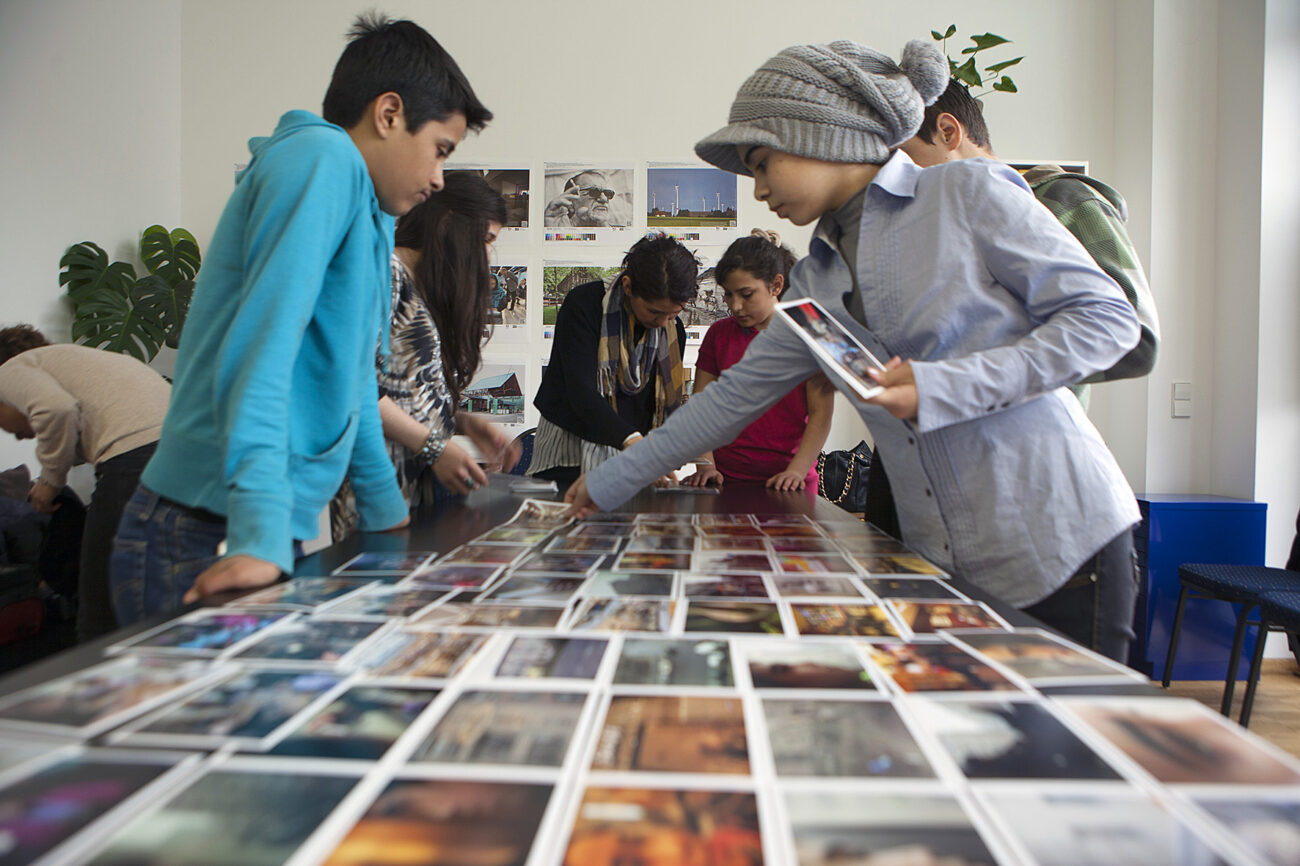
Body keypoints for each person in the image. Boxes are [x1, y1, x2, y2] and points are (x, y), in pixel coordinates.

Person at [567, 39, 1144, 662]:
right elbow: (732, 399)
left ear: (819, 134)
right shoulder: (815, 285)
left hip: (1059, 545)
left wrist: (944, 385)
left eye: (762, 163)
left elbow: (1109, 321)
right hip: (940, 562)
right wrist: (612, 480)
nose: (758, 190)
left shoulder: (965, 194)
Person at [109, 13, 492, 624]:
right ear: (388, 114)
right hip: (201, 529)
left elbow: (351, 382)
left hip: (250, 530)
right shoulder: (322, 158)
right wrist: (260, 533)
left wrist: (384, 509)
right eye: (440, 150)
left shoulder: (372, 215)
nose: (438, 177)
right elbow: (263, 347)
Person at [331, 173, 520, 541]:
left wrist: (463, 422)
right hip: (372, 491)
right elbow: (355, 388)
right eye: (485, 239)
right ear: (447, 224)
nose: (487, 255)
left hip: (409, 490)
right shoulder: (385, 274)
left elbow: (402, 391)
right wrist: (434, 446)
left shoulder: (419, 283)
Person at [0, 326, 170, 640]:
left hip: (136, 462)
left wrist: (50, 481)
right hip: (186, 455)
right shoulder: (90, 362)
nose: (20, 437)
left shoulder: (9, 371)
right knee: (164, 591)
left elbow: (55, 409)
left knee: (98, 607)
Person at [530, 234, 697, 488]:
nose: (663, 322)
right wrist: (633, 443)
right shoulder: (584, 305)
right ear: (628, 286)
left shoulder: (674, 332)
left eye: (673, 313)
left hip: (633, 460)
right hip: (570, 451)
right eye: (654, 311)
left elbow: (657, 406)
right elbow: (580, 392)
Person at [682, 230, 834, 492]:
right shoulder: (719, 334)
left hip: (791, 483)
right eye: (729, 295)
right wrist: (705, 464)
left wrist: (796, 471)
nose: (735, 306)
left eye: (746, 294)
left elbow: (821, 413)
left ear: (776, 286)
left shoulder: (809, 335)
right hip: (725, 480)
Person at [544, 170, 632, 227]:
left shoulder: (622, 233)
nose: (604, 199)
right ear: (571, 203)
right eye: (594, 192)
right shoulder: (560, 227)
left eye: (607, 193)